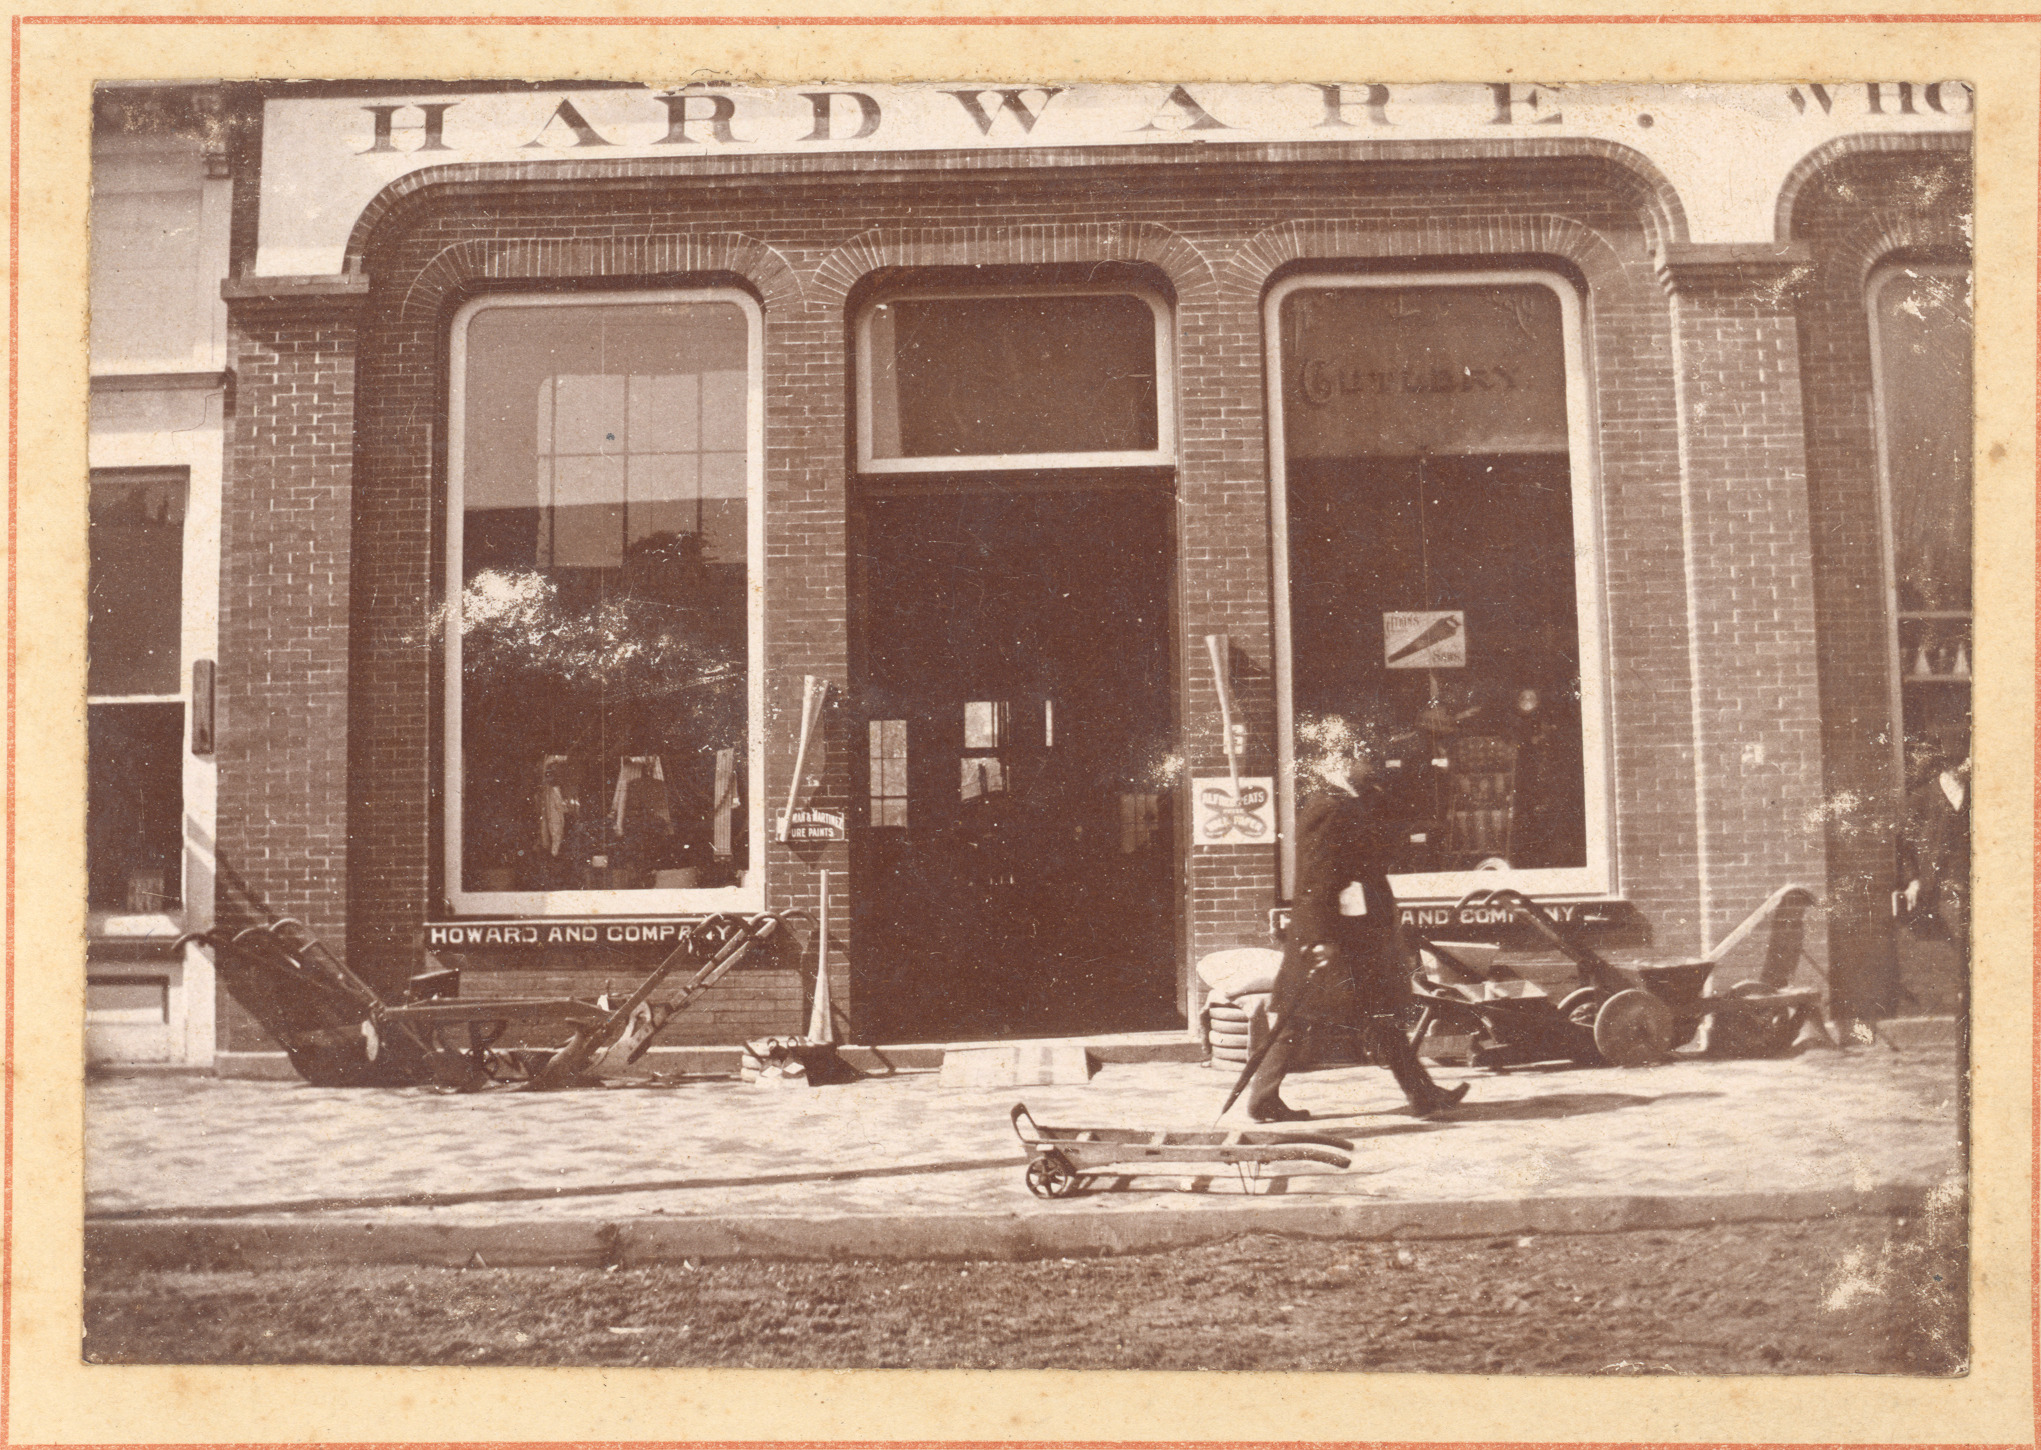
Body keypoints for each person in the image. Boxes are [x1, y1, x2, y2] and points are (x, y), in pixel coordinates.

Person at [1243, 727, 1470, 1122]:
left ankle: (1424, 1094)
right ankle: (1263, 1098)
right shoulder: (1328, 808)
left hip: (1355, 935)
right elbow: (1316, 880)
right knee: (1300, 1016)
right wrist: (1319, 939)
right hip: (1335, 938)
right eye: (1365, 761)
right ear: (1343, 763)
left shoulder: (1351, 802)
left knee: (1379, 1015)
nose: (1371, 769)